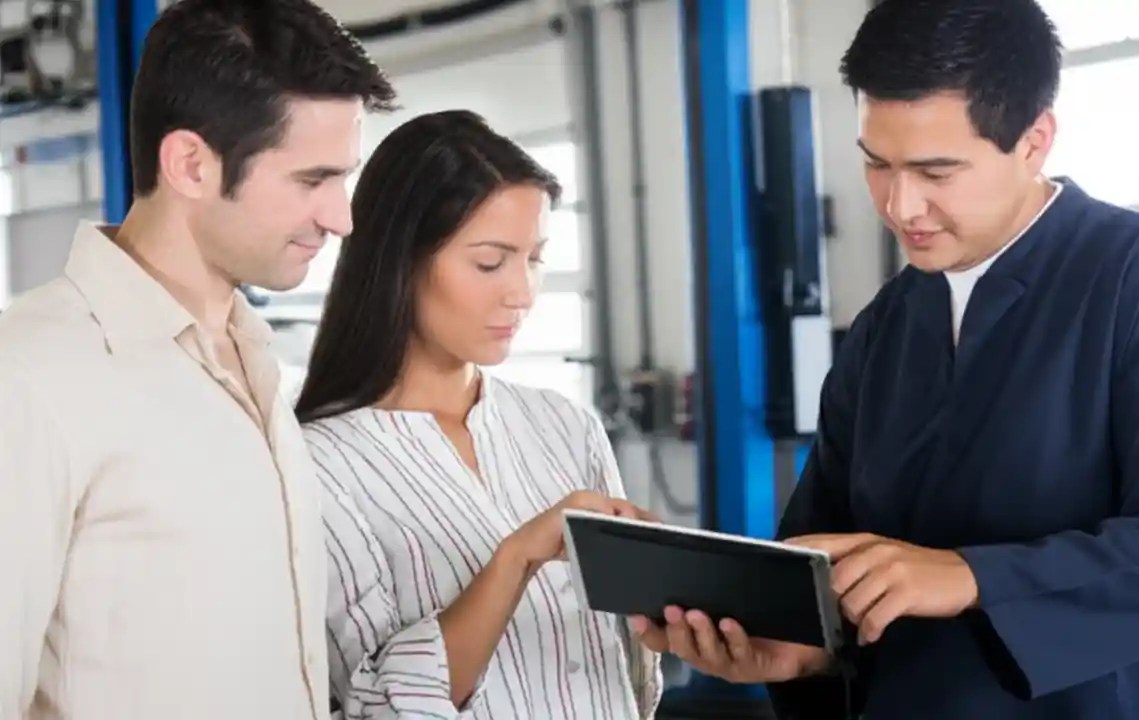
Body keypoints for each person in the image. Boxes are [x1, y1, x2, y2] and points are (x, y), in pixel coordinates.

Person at [630, 1, 1139, 718]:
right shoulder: (885, 328)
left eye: (937, 171)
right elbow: (825, 566)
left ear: (1034, 140)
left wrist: (969, 576)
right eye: (877, 164)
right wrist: (801, 651)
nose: (901, 205)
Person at [0, 1, 395, 717]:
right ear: (190, 163)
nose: (342, 218)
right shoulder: (26, 379)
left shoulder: (254, 361)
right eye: (312, 181)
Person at [294, 110, 663, 719]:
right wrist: (517, 556)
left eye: (535, 259)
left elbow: (628, 677)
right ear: (399, 261)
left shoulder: (567, 427)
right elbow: (377, 707)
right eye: (491, 262)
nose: (520, 292)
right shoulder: (318, 463)